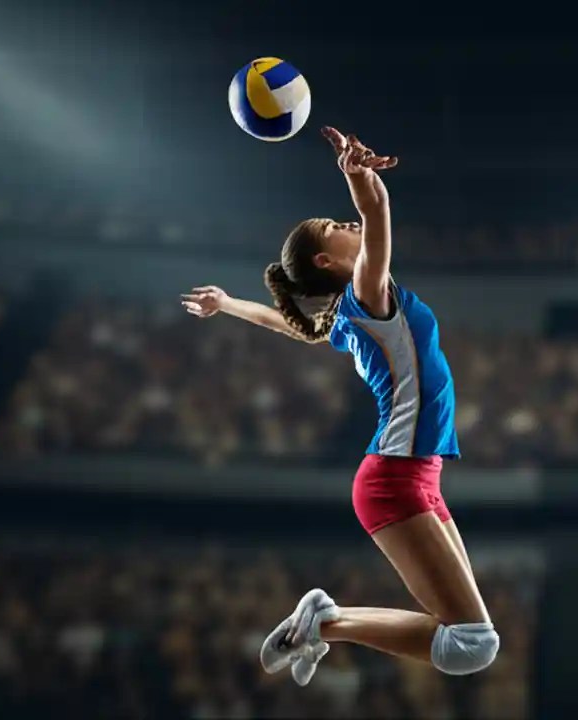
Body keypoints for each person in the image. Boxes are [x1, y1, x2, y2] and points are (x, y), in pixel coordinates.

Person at [180, 127, 497, 686]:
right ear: (328, 260)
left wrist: (227, 303)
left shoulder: (348, 317)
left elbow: (286, 324)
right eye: (335, 226)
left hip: (416, 476)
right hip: (396, 479)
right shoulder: (368, 294)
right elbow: (376, 213)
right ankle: (326, 625)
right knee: (473, 643)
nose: (347, 224)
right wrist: (358, 176)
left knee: (470, 634)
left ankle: (326, 617)